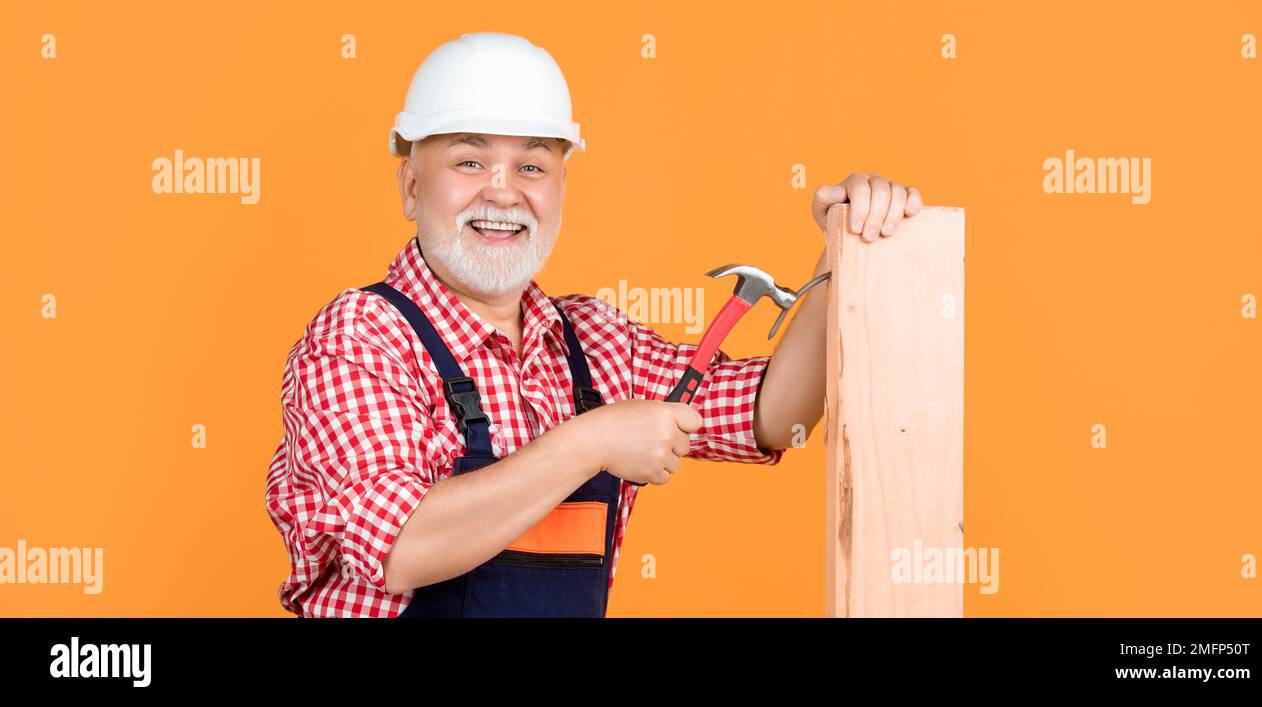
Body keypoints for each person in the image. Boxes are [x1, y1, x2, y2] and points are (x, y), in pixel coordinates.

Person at [264, 32, 924, 617]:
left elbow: (774, 413)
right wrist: (593, 439)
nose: (503, 190)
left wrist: (845, 244)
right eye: (469, 160)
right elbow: (401, 547)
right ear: (411, 185)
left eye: (532, 164)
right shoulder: (361, 336)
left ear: (559, 190)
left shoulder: (595, 344)